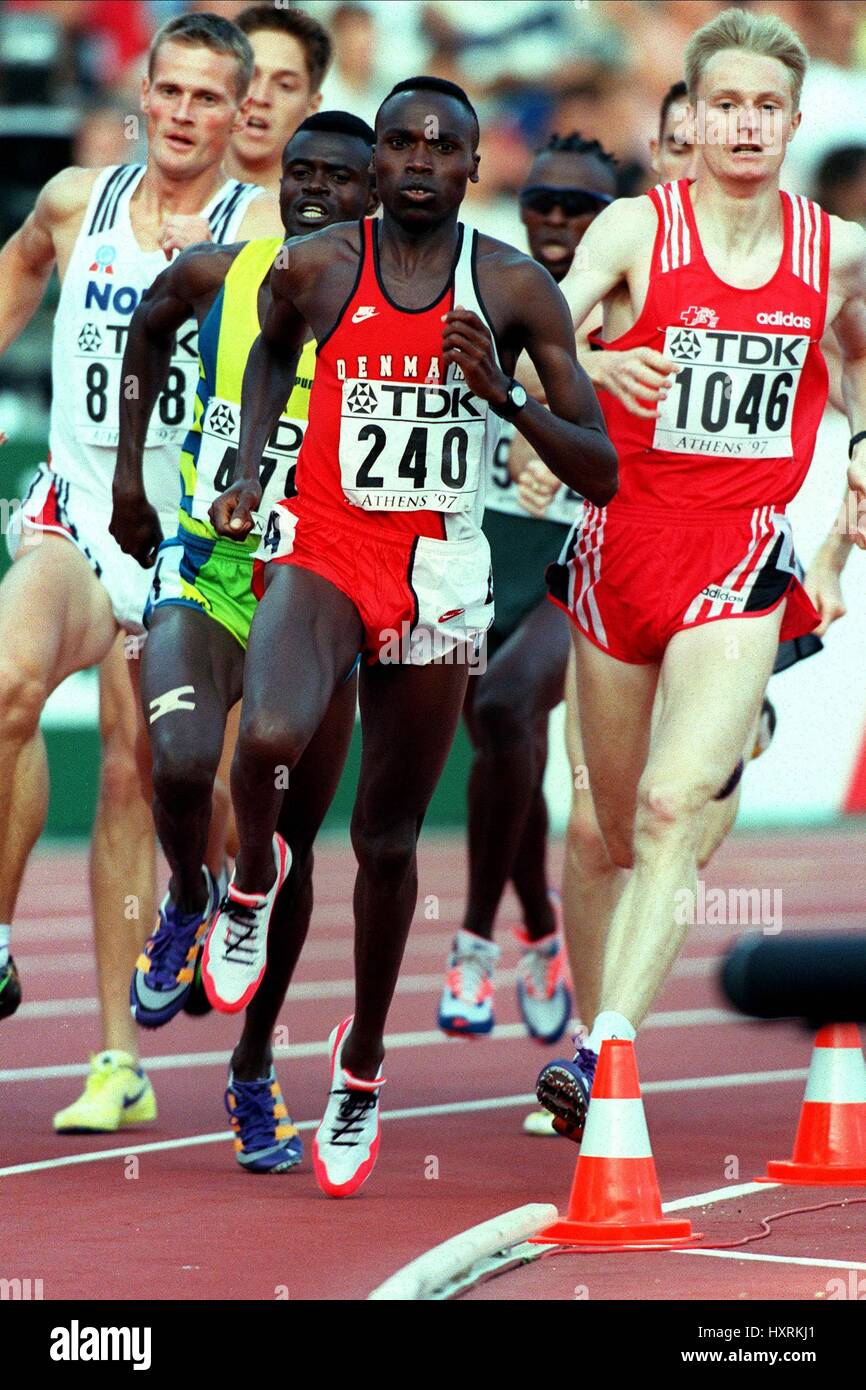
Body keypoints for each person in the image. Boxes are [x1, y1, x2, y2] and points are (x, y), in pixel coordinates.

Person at [204, 75, 617, 1196]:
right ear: (375, 160)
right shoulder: (320, 264)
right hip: (325, 538)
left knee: (385, 843)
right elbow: (266, 354)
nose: (419, 161)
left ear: (474, 169)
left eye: (444, 146)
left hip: (441, 573)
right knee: (271, 737)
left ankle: (363, 1059)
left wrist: (507, 400)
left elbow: (602, 468)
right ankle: (249, 880)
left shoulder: (516, 288)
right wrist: (249, 470)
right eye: (399, 143)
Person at [535, 6, 866, 1142]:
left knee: (675, 808)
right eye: (723, 104)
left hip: (735, 554)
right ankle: (589, 1026)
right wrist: (599, 364)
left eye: (764, 107)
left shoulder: (834, 251)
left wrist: (859, 446)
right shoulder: (635, 228)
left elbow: (855, 350)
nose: (742, 124)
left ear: (791, 120)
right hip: (619, 548)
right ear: (690, 114)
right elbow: (538, 337)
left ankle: (607, 1044)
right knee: (604, 831)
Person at [0, 12, 281, 1138]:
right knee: (9, 681)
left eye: (209, 99)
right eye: (169, 91)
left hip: (190, 546)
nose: (182, 114)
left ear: (239, 112)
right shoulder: (80, 200)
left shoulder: (260, 226)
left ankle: (121, 1047)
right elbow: (21, 264)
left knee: (145, 777)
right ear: (144, 93)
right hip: (76, 516)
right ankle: (2, 938)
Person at [110, 111, 377, 1173]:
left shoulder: (395, 304)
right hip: (210, 572)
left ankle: (256, 1059)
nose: (311, 190)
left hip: (323, 593)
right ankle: (184, 896)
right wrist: (130, 469)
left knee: (290, 849)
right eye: (298, 172)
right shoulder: (223, 272)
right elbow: (144, 328)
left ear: (372, 192)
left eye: (336, 178)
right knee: (175, 763)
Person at [437, 134, 617, 1047]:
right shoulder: (491, 289)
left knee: (508, 713)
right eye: (542, 200)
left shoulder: (636, 308)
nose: (557, 219)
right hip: (478, 549)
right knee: (499, 749)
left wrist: (542, 415)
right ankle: (542, 933)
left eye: (579, 207)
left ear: (613, 216)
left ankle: (474, 938)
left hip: (583, 553)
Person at [228, 4, 333, 194]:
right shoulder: (168, 192)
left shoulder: (324, 216)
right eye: (250, 76)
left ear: (312, 106)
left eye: (285, 85)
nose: (260, 97)